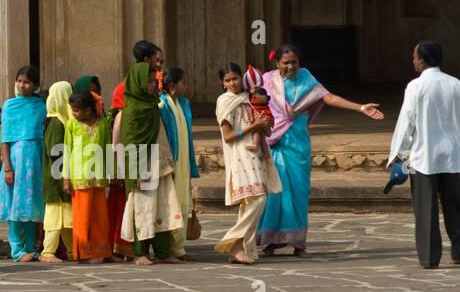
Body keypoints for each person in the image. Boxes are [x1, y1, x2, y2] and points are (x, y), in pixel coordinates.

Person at [258, 44, 383, 256]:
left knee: (298, 193)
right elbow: (252, 100)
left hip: (297, 144)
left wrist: (360, 107)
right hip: (274, 142)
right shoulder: (266, 80)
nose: (290, 66)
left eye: (294, 62)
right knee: (275, 193)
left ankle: (298, 243)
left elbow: (327, 97)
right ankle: (272, 240)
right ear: (276, 63)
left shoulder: (306, 77)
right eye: (286, 63)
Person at [388, 41, 460, 269]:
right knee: (455, 207)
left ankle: (429, 257)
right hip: (454, 156)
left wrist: (397, 153)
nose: (413, 60)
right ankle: (458, 252)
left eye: (414, 56)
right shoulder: (455, 84)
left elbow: (407, 121)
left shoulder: (416, 87)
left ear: (422, 59)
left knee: (426, 210)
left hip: (424, 156)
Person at [214, 62, 279, 264]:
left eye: (235, 78)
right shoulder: (225, 101)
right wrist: (253, 127)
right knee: (257, 199)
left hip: (256, 153)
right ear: (223, 83)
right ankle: (233, 243)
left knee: (252, 202)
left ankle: (244, 248)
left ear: (242, 77)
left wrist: (263, 125)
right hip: (240, 154)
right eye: (228, 80)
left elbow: (266, 130)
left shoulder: (251, 98)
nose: (232, 83)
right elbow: (228, 136)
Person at [118, 62, 183, 265]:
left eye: (154, 81)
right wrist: (134, 173)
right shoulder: (132, 111)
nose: (152, 86)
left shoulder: (153, 105)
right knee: (143, 210)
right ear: (137, 83)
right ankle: (140, 252)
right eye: (147, 82)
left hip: (160, 166)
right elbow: (130, 145)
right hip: (142, 169)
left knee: (164, 208)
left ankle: (164, 252)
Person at [0, 66, 45, 262]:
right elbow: (5, 138)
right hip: (15, 161)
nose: (22, 85)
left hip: (34, 162)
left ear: (35, 86)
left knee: (30, 204)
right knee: (16, 203)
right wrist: (7, 168)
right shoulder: (9, 106)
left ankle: (31, 247)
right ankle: (16, 250)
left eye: (27, 82)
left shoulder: (40, 106)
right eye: (19, 81)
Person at [63, 89, 112, 262]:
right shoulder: (71, 125)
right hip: (79, 179)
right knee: (82, 218)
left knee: (100, 217)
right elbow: (67, 151)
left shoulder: (103, 124)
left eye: (76, 110)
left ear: (88, 110)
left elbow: (108, 149)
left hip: (98, 178)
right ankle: (83, 252)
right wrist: (66, 178)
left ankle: (101, 251)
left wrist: (111, 173)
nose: (73, 113)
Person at [160, 66, 200, 260]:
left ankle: (179, 247)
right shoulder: (163, 105)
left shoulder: (183, 104)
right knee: (171, 203)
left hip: (183, 161)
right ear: (173, 86)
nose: (187, 86)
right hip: (172, 161)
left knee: (183, 202)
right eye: (184, 82)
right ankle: (167, 248)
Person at [40, 81, 73, 262]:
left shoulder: (62, 120)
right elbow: (56, 151)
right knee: (55, 216)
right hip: (56, 178)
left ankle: (71, 250)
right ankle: (48, 252)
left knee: (67, 217)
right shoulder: (55, 122)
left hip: (61, 176)